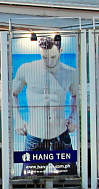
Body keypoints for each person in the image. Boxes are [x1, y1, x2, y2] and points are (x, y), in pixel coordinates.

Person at [11, 36, 78, 167]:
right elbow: (12, 93)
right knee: (29, 184)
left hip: (60, 136)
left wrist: (73, 116)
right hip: (35, 137)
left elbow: (75, 95)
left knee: (71, 182)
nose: (48, 61)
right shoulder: (27, 69)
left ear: (61, 50)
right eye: (44, 57)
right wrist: (17, 119)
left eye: (52, 57)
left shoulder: (70, 73)